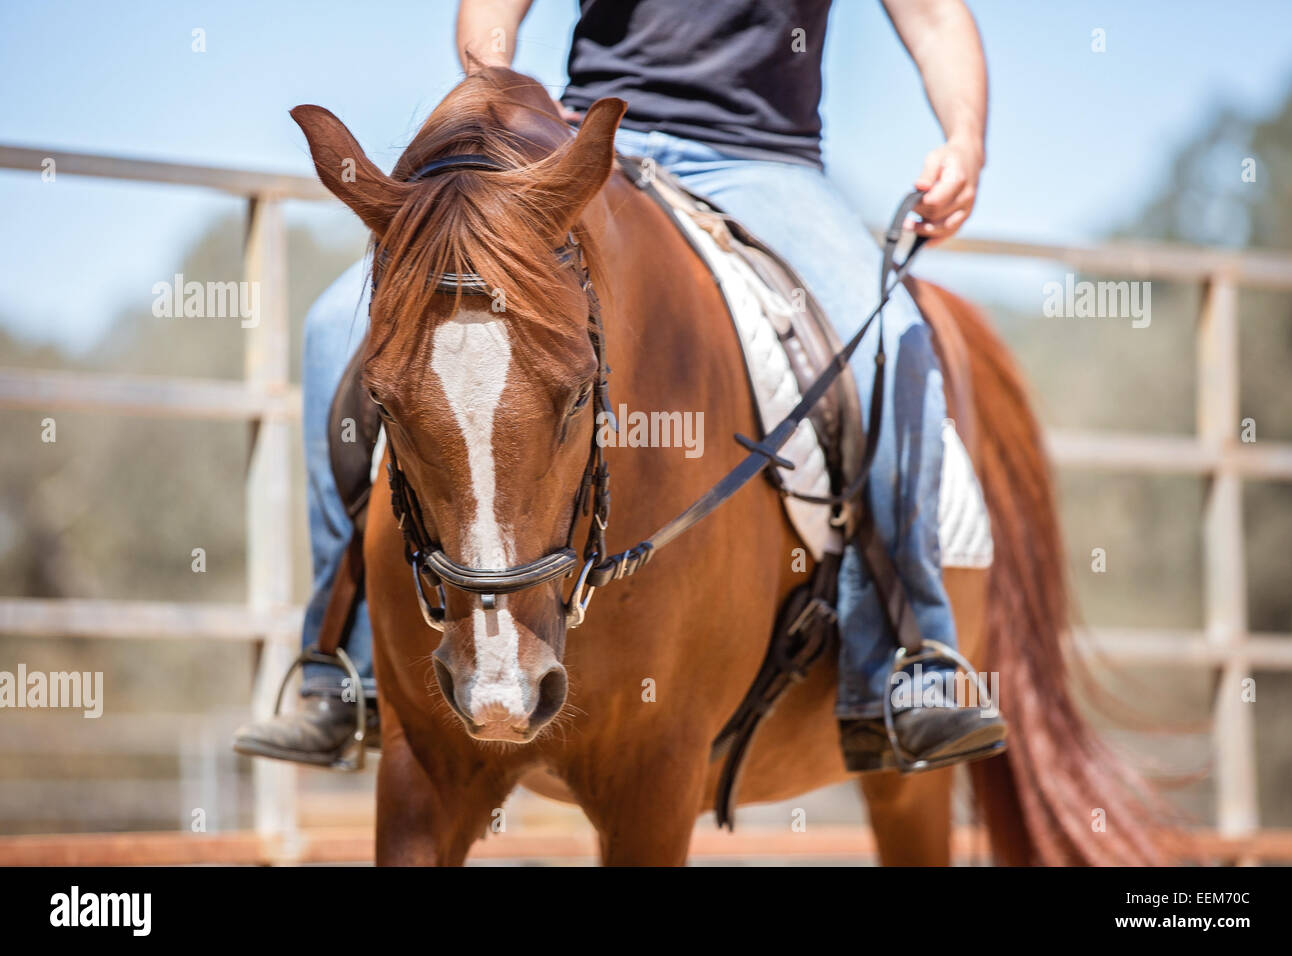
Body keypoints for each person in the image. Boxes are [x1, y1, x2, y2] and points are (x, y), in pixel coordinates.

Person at [234, 0, 1005, 772]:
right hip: (586, 142)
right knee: (334, 327)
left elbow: (935, 17)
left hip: (760, 163)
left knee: (894, 341)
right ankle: (343, 665)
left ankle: (912, 664)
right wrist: (496, 84)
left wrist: (964, 139)